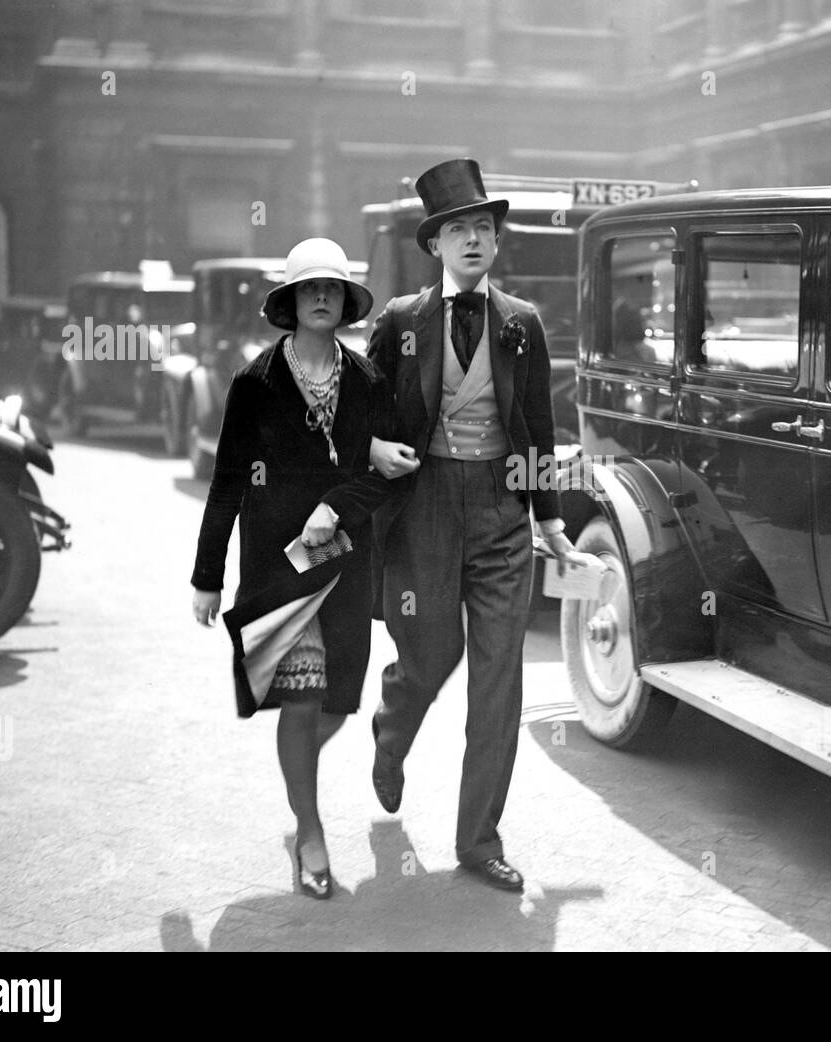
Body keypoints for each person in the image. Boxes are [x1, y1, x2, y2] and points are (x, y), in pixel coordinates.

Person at [365, 158, 583, 891]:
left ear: (496, 242)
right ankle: (392, 729)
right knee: (431, 654)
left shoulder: (522, 323)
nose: (472, 241)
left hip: (500, 511)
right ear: (435, 245)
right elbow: (357, 415)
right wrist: (372, 449)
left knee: (500, 679)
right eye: (458, 230)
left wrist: (550, 521)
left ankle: (479, 840)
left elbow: (540, 428)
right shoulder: (399, 321)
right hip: (423, 506)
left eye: (483, 229)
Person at [190, 238, 394, 900]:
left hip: (344, 567)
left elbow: (378, 479)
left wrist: (335, 508)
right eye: (310, 289)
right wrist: (207, 576)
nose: (321, 297)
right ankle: (309, 830)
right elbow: (226, 482)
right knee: (299, 702)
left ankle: (299, 774)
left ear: (344, 302)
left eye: (332, 288)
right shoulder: (256, 384)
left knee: (339, 701)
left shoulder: (365, 381)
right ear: (291, 302)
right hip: (277, 573)